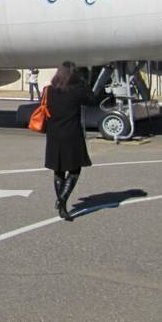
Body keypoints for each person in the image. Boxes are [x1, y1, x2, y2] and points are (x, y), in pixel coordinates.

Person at [44, 61, 98, 221]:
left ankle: (62, 204)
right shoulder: (76, 91)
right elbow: (92, 100)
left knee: (58, 170)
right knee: (74, 169)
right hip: (71, 134)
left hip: (53, 134)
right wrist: (84, 83)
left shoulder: (50, 91)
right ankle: (62, 200)